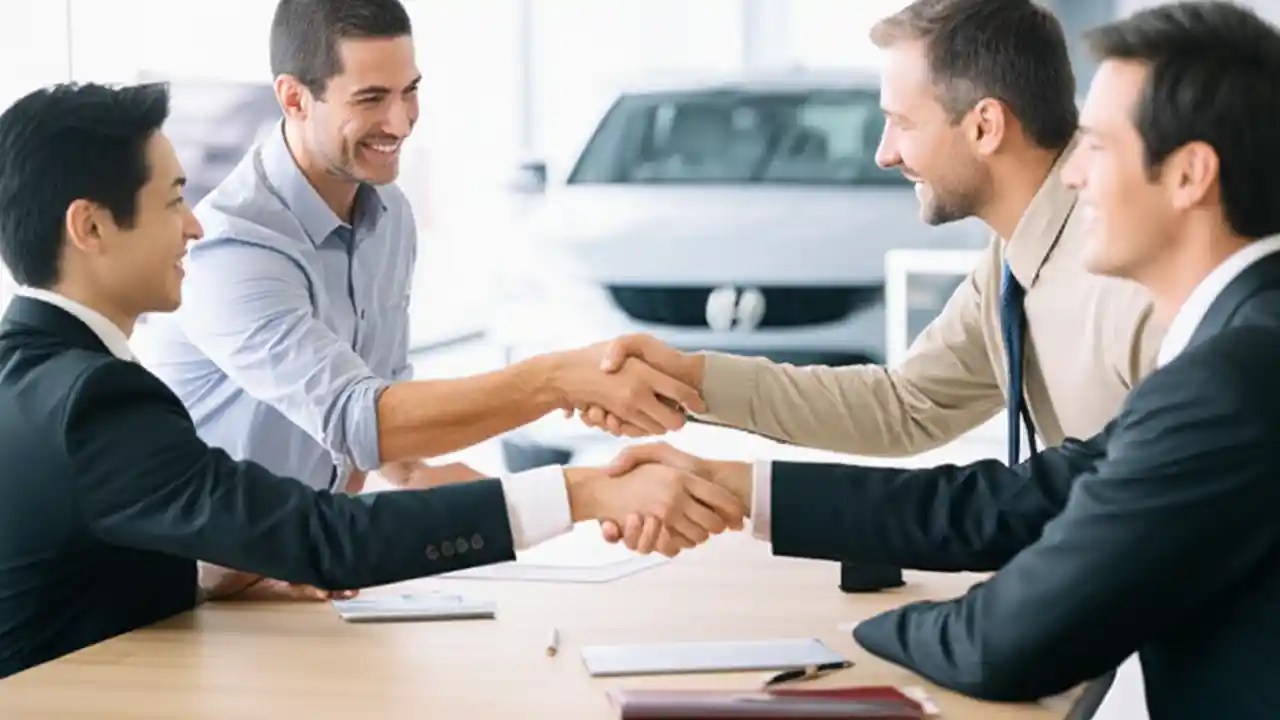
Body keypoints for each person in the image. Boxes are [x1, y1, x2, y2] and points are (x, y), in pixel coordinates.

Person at [608, 2, 1280, 717]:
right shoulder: (1034, 269)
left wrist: (847, 639)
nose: (1074, 171)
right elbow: (959, 441)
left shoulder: (1212, 359)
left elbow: (1022, 618)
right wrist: (708, 419)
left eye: (1099, 145)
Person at [0, 82, 745, 679]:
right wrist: (583, 493)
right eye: (171, 202)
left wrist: (225, 568)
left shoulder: (28, 376)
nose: (194, 227)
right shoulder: (99, 403)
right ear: (91, 228)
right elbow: (329, 536)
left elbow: (73, 564)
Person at [134, 0, 701, 600]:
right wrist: (562, 381)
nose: (401, 122)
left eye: (410, 91)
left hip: (290, 569)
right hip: (190, 595)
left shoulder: (387, 213)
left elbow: (382, 400)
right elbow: (360, 422)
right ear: (295, 98)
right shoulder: (233, 250)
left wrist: (422, 477)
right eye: (371, 98)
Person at [584, 0, 1160, 522]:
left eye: (903, 124)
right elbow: (908, 404)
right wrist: (690, 380)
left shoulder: (1123, 272)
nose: (885, 154)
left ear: (985, 126)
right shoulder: (1014, 258)